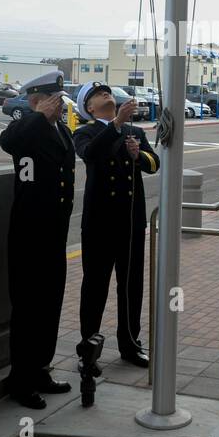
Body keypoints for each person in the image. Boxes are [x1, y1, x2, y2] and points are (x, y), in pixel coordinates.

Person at [0, 71, 76, 409]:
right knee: (28, 309)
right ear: (36, 100)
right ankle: (22, 379)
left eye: (60, 101)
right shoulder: (27, 129)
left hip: (54, 233)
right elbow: (7, 141)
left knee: (49, 305)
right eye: (54, 101)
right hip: (30, 232)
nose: (60, 107)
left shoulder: (62, 131)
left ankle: (41, 369)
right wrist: (38, 116)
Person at [73, 81, 159, 370]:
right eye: (99, 94)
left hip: (131, 221)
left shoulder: (134, 131)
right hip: (100, 223)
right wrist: (116, 124)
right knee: (95, 286)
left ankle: (130, 344)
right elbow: (91, 154)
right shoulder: (84, 131)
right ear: (89, 107)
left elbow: (154, 163)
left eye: (107, 92)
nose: (106, 95)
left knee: (131, 286)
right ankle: (89, 349)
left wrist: (139, 155)